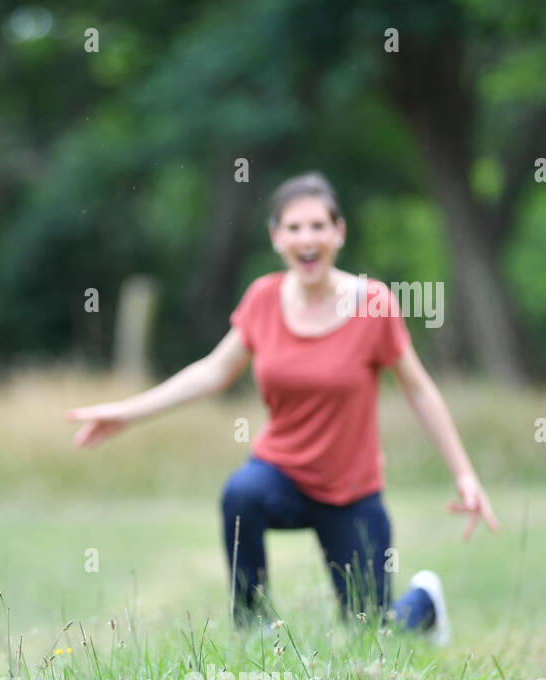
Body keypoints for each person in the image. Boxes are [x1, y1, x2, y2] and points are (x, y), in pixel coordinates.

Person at [65, 172, 500, 642]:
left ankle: (424, 604)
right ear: (276, 238)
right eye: (293, 228)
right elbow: (214, 371)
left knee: (371, 633)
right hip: (282, 476)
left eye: (318, 226)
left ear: (339, 233)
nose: (306, 238)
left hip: (351, 491)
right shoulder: (263, 299)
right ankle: (254, 632)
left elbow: (418, 389)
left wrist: (465, 475)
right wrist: (127, 412)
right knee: (241, 494)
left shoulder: (373, 303)